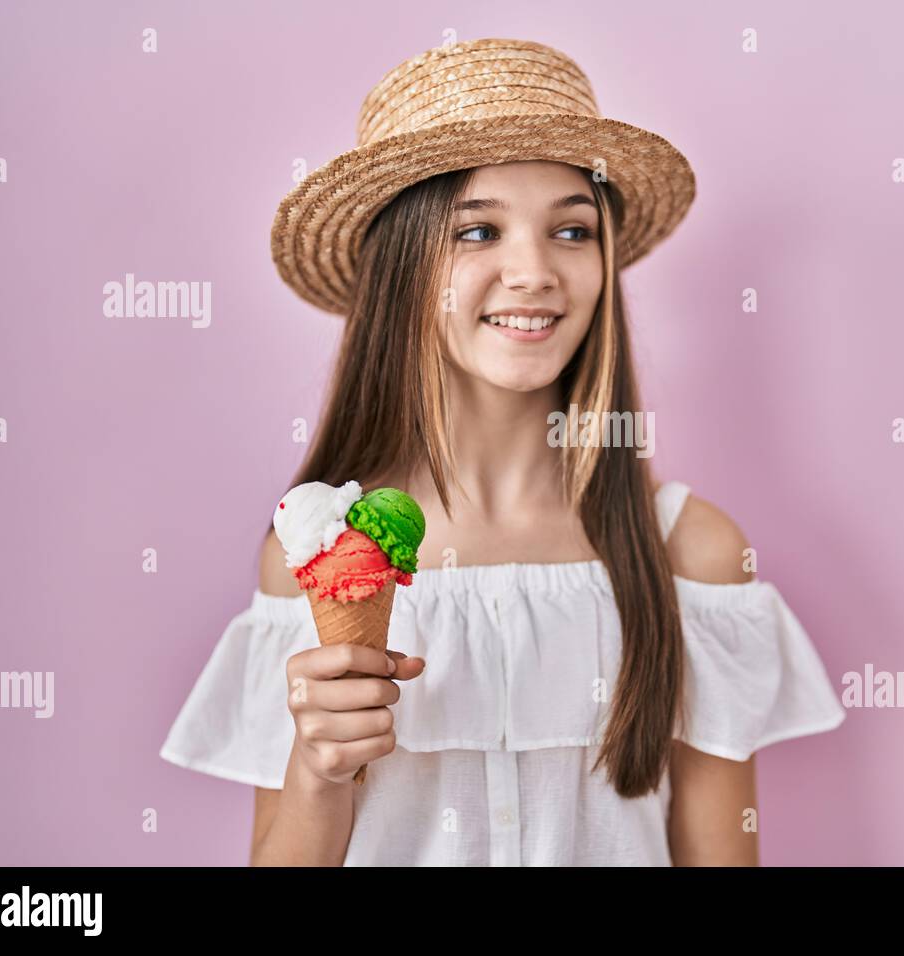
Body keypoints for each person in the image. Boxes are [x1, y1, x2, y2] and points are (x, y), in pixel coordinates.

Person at [159, 37, 846, 866]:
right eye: (479, 231)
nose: (534, 271)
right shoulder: (318, 558)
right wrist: (317, 771)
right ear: (402, 269)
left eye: (571, 229)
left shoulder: (692, 554)